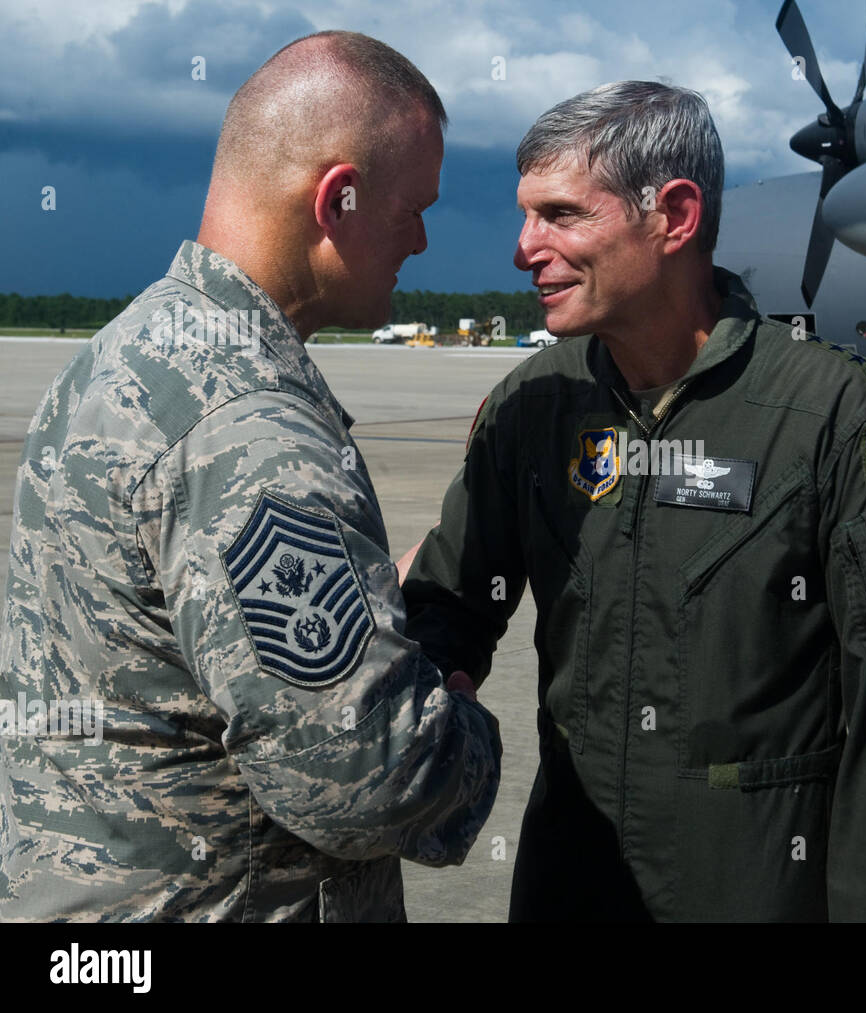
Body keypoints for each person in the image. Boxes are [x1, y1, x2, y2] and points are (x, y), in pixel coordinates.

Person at [398, 81, 866, 921]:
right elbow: (451, 605)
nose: (524, 249)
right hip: (570, 891)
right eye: (526, 216)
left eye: (559, 214)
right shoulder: (532, 409)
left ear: (676, 215)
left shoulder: (835, 421)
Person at [0, 31, 501, 922]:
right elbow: (361, 775)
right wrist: (450, 710)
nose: (425, 240)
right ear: (338, 200)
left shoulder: (126, 354)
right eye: (412, 208)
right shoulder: (248, 425)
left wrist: (355, 598)